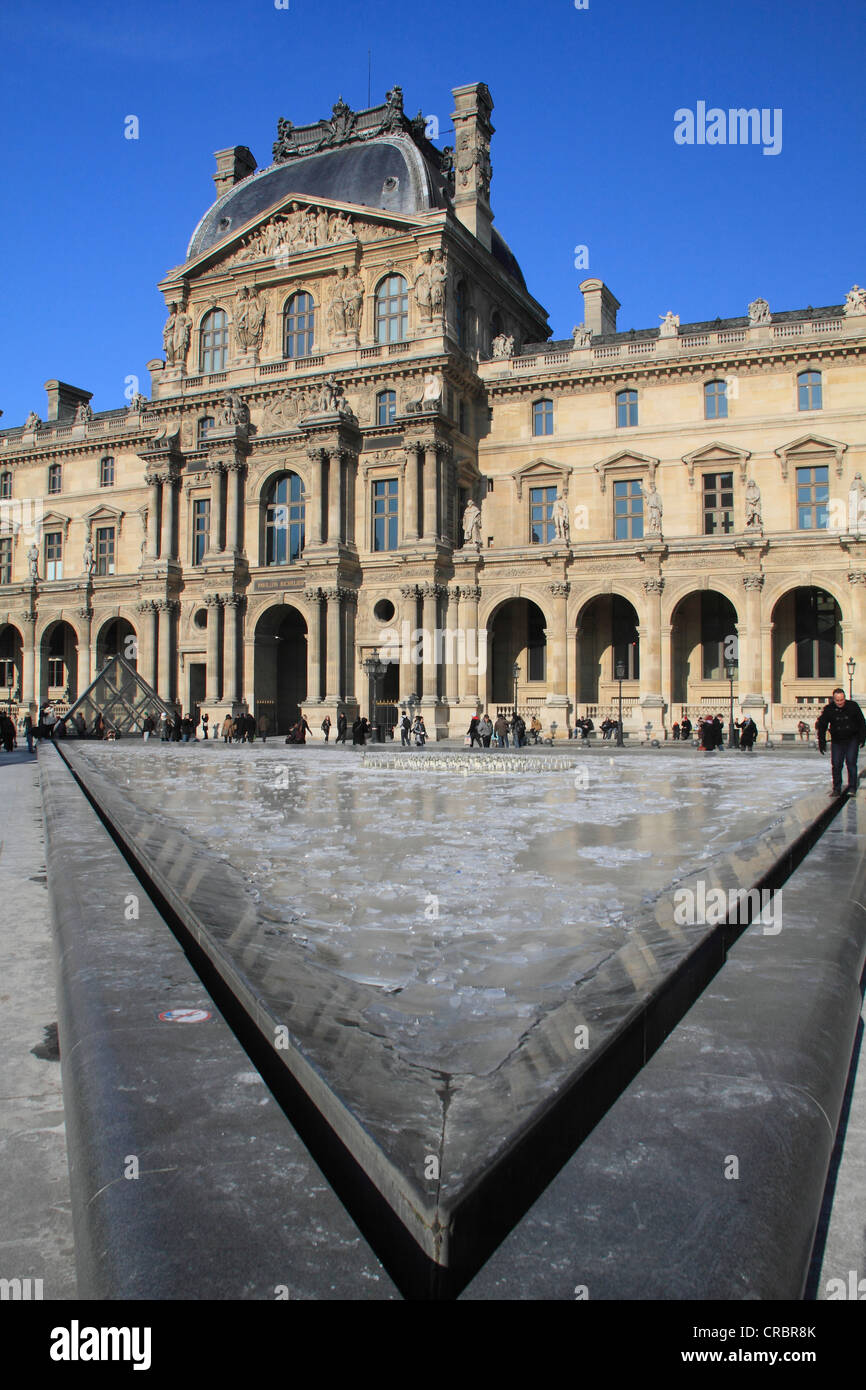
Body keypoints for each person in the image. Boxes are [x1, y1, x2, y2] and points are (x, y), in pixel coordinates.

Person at [816, 688, 866, 796]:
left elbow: (862, 722)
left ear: (844, 698)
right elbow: (822, 726)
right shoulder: (829, 709)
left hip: (852, 739)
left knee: (851, 762)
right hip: (837, 740)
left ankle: (852, 787)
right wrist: (822, 742)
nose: (840, 703)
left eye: (842, 700)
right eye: (837, 700)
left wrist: (862, 738)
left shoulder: (853, 706)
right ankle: (836, 788)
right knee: (836, 764)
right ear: (834, 700)